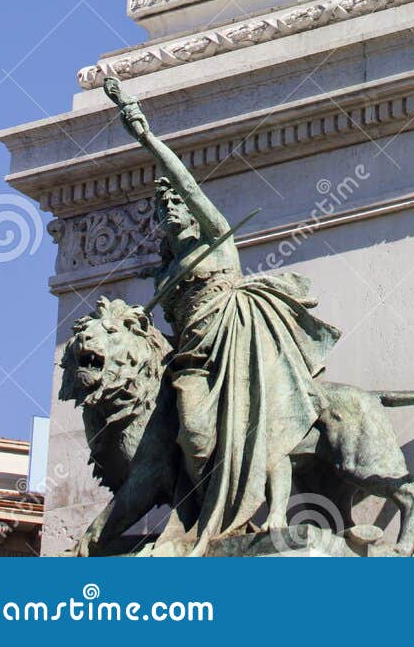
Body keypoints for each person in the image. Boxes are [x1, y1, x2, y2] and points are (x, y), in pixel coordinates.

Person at [104, 78, 339, 553]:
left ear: (191, 214)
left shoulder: (218, 244)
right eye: (162, 207)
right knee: (192, 437)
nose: (171, 210)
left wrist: (147, 139)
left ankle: (250, 511)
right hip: (192, 362)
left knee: (260, 429)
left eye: (177, 204)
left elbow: (187, 183)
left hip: (237, 350)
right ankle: (199, 510)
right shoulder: (164, 275)